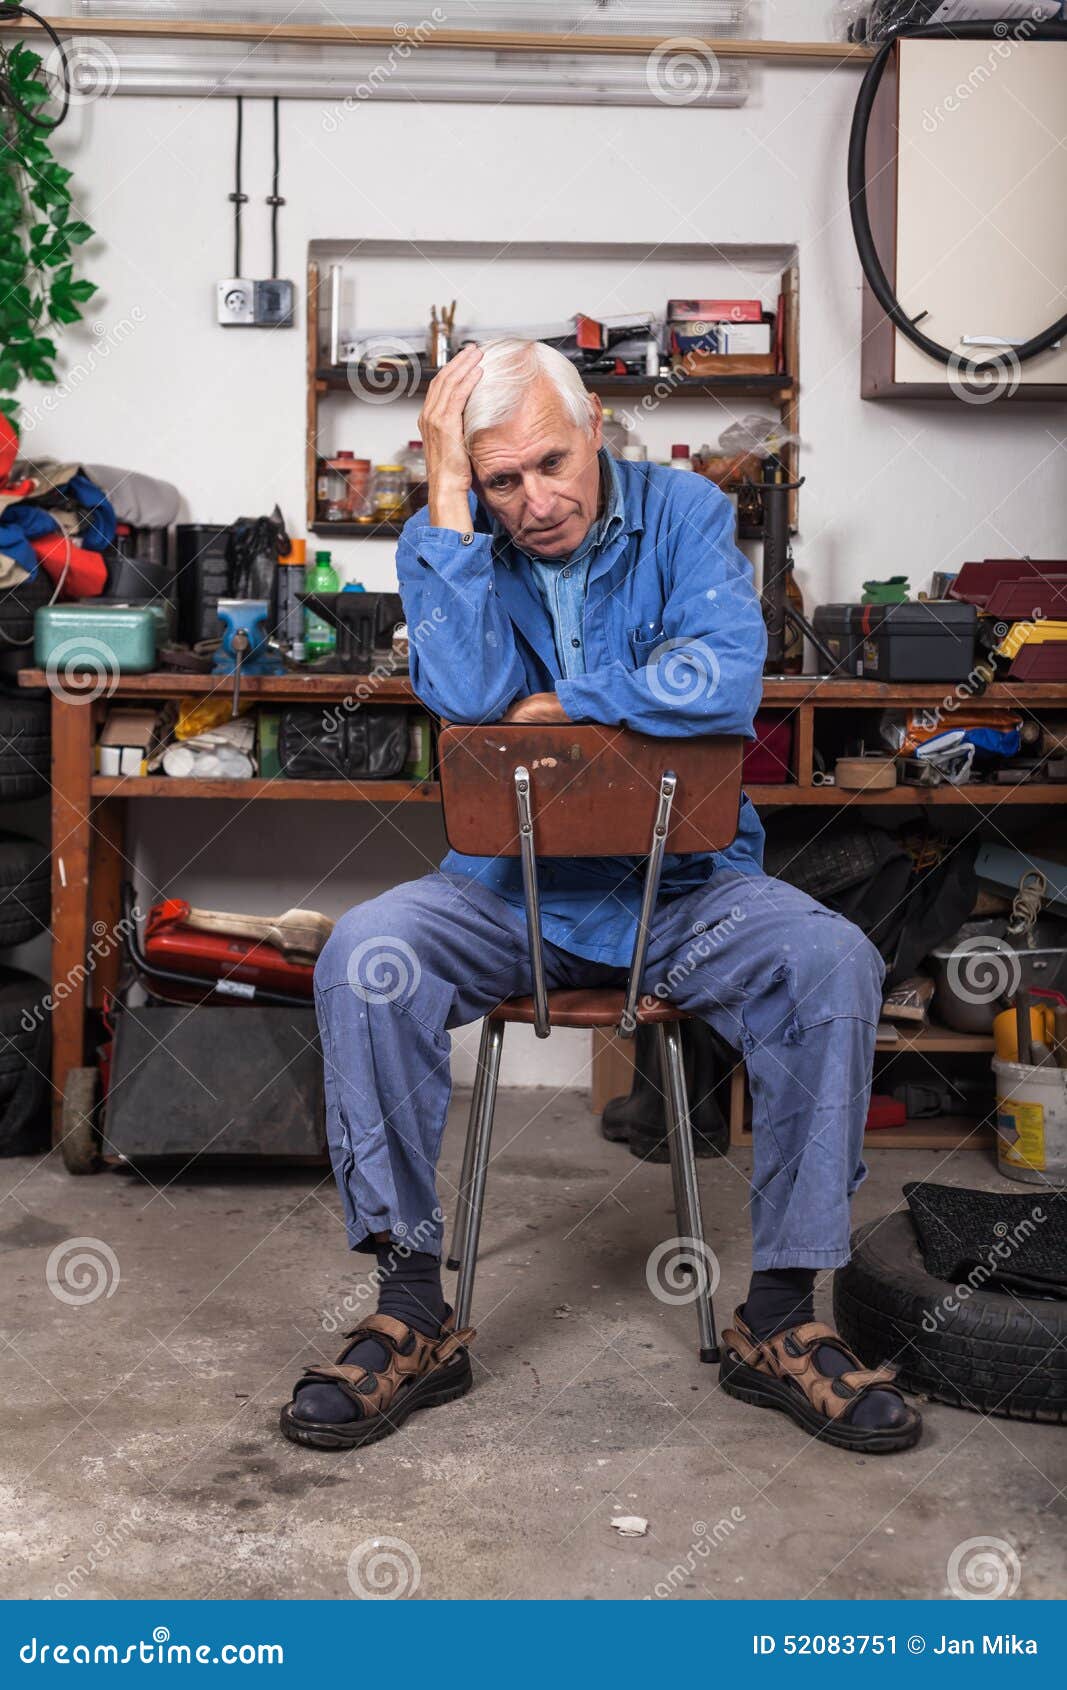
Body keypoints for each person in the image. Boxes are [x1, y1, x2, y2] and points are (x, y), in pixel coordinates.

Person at [281, 337, 922, 1456]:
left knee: (831, 959)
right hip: (505, 894)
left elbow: (720, 676)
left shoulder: (679, 512)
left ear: (595, 431)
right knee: (365, 956)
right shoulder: (458, 539)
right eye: (497, 479)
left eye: (550, 463)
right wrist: (440, 495)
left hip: (684, 891)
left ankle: (778, 1317)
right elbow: (466, 695)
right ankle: (413, 1308)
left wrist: (558, 705)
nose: (532, 501)